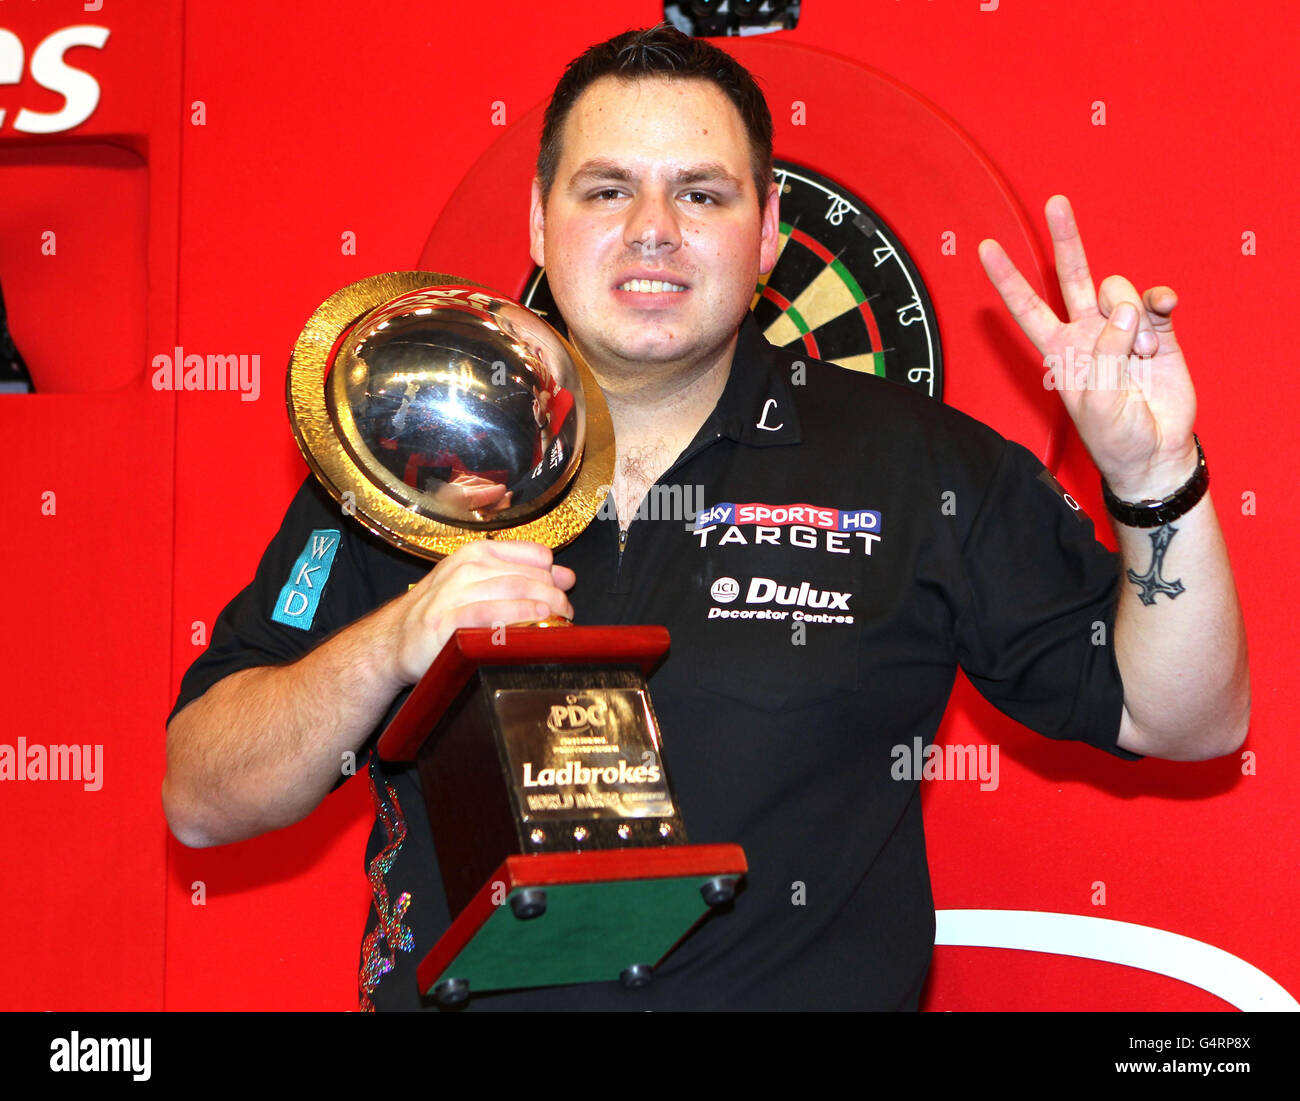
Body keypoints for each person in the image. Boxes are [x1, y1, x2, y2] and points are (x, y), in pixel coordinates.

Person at [163, 24, 1250, 1011]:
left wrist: (1158, 476)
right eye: (605, 191)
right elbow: (203, 795)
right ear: (538, 222)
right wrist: (390, 648)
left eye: (700, 193)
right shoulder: (411, 454)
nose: (652, 232)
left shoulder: (917, 462)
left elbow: (1184, 719)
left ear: (770, 229)